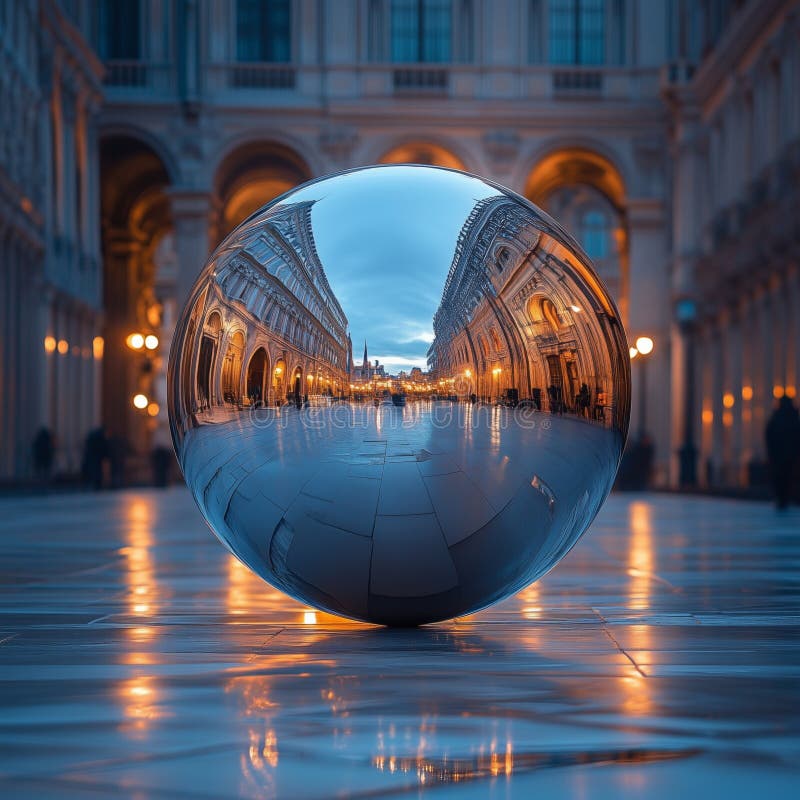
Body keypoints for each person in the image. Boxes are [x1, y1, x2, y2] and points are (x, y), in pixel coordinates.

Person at [765, 396, 800, 510]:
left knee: (781, 478)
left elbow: (769, 436)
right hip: (791, 456)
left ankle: (782, 499)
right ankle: (786, 498)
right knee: (789, 477)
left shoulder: (776, 417)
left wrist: (772, 453)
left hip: (779, 457)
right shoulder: (794, 417)